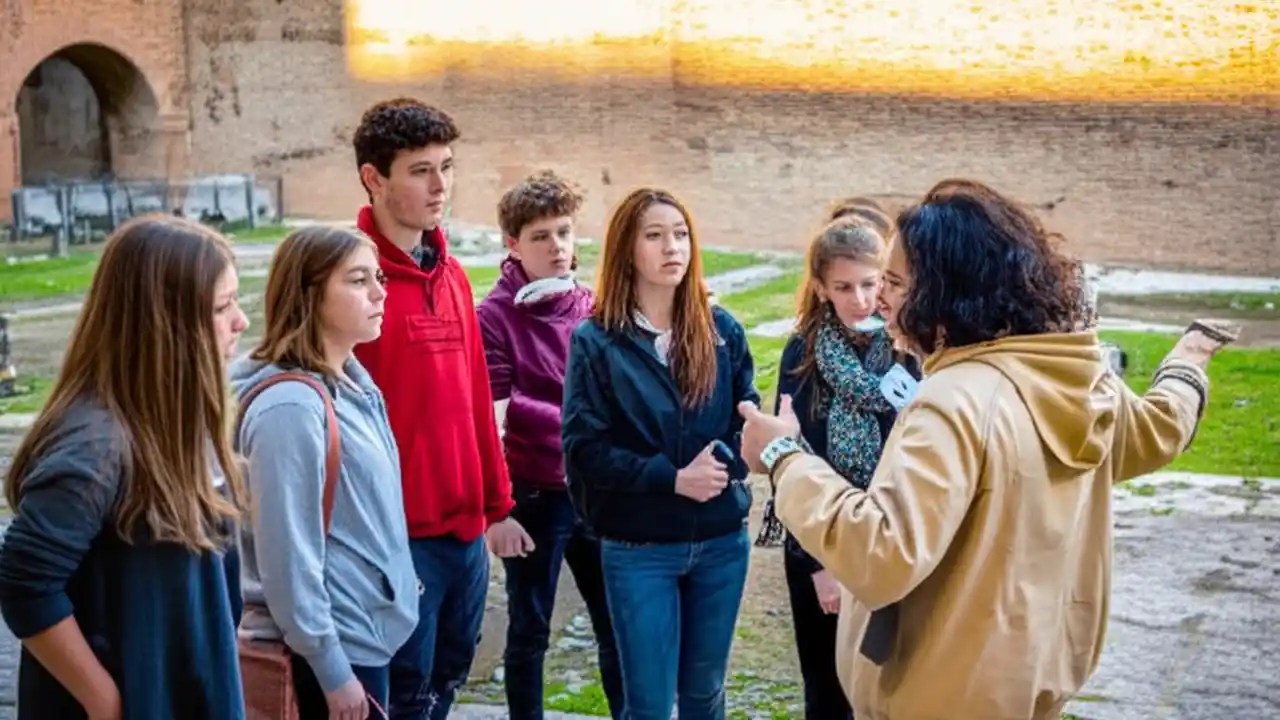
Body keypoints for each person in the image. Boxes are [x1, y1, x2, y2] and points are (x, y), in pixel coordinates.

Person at [739, 179, 1230, 719]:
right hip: (1029, 679)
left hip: (941, 692)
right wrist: (1189, 358)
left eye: (895, 283)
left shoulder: (952, 401)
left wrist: (785, 457)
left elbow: (882, 551)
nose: (879, 298)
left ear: (946, 293)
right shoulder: (1076, 379)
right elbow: (1160, 429)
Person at [0, 215, 250, 719]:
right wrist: (106, 700)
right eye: (223, 307)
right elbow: (25, 582)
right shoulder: (97, 443)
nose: (241, 321)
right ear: (165, 326)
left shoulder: (170, 421)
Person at [349, 97, 529, 719]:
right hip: (397, 540)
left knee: (445, 686)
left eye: (446, 167)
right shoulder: (350, 282)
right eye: (421, 170)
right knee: (398, 697)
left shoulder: (451, 273)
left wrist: (497, 504)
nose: (440, 186)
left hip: (464, 537)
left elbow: (478, 396)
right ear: (374, 178)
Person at [562, 187, 760, 720]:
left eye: (680, 234)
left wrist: (730, 460)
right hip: (640, 547)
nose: (673, 247)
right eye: (654, 236)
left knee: (704, 695)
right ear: (627, 250)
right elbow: (584, 448)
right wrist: (670, 478)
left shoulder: (723, 331)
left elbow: (746, 419)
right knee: (648, 704)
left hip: (720, 542)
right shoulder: (597, 341)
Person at [231, 226, 419, 718]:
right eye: (358, 281)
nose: (380, 292)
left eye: (378, 276)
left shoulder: (353, 381)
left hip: (368, 635)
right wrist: (332, 669)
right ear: (309, 295)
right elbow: (287, 557)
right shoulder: (290, 408)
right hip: (327, 655)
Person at [476, 171, 623, 719]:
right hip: (535, 495)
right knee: (529, 627)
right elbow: (498, 409)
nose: (557, 246)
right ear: (513, 244)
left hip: (595, 489)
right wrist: (583, 421)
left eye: (564, 232)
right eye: (541, 236)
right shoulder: (492, 317)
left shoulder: (591, 305)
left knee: (614, 623)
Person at [772, 210, 918, 720]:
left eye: (869, 284)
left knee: (892, 689)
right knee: (829, 691)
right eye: (844, 286)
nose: (859, 300)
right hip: (822, 547)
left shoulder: (909, 352)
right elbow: (789, 456)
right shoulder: (801, 354)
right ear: (820, 287)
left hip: (893, 541)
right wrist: (822, 565)